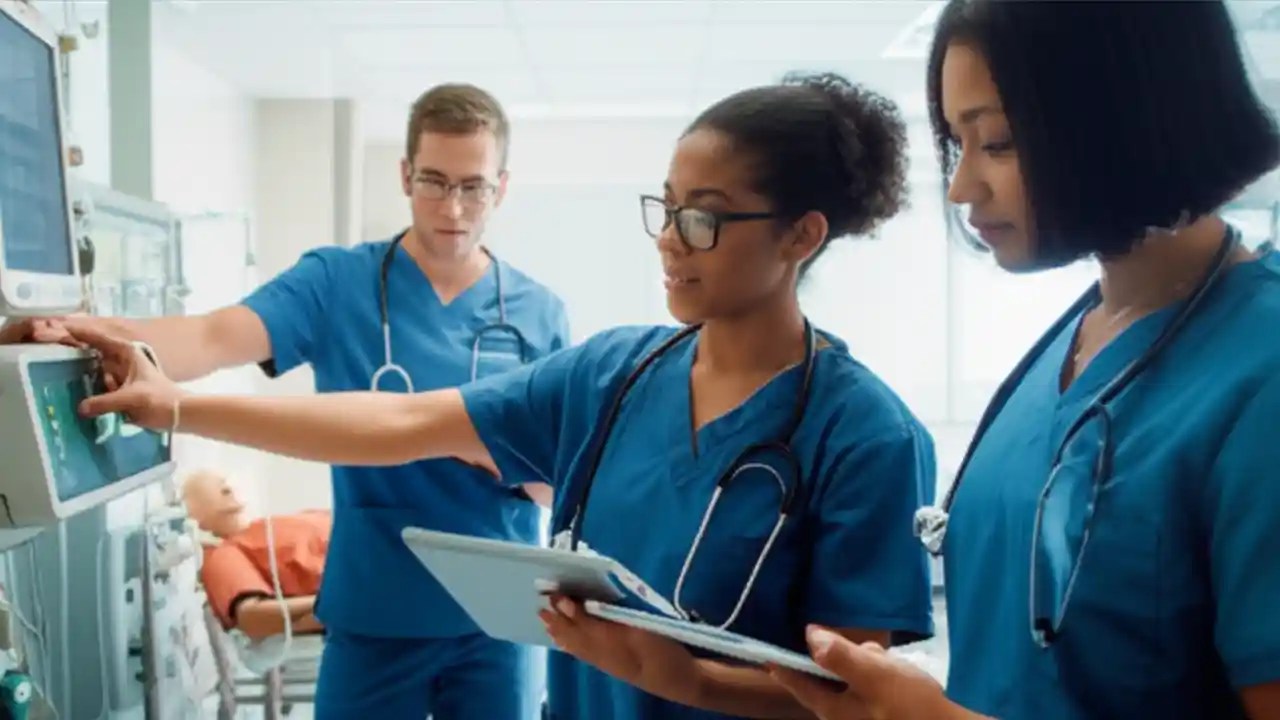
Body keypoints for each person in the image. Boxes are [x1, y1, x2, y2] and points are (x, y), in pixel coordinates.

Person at [70, 71, 937, 720]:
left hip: (498, 648)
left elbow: (857, 697)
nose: (670, 240)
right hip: (402, 619)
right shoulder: (613, 373)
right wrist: (174, 405)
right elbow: (402, 418)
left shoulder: (865, 436)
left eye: (703, 217)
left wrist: (685, 679)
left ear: (801, 234)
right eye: (665, 208)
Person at [768, 2, 1280, 719]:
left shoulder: (1260, 374)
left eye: (1000, 143)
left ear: (1132, 117)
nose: (961, 187)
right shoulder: (1075, 343)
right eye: (958, 143)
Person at [7, 84, 571, 719]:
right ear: (405, 174)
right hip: (375, 610)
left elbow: (561, 479)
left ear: (501, 186)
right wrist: (85, 329)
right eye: (435, 182)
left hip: (495, 618)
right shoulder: (338, 282)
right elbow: (211, 337)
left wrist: (490, 453)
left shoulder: (538, 314)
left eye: (474, 187)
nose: (455, 207)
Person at [183, 469, 330, 641]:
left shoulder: (287, 521)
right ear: (191, 516)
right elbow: (252, 616)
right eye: (213, 489)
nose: (227, 488)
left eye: (224, 483)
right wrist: (338, 603)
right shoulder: (224, 553)